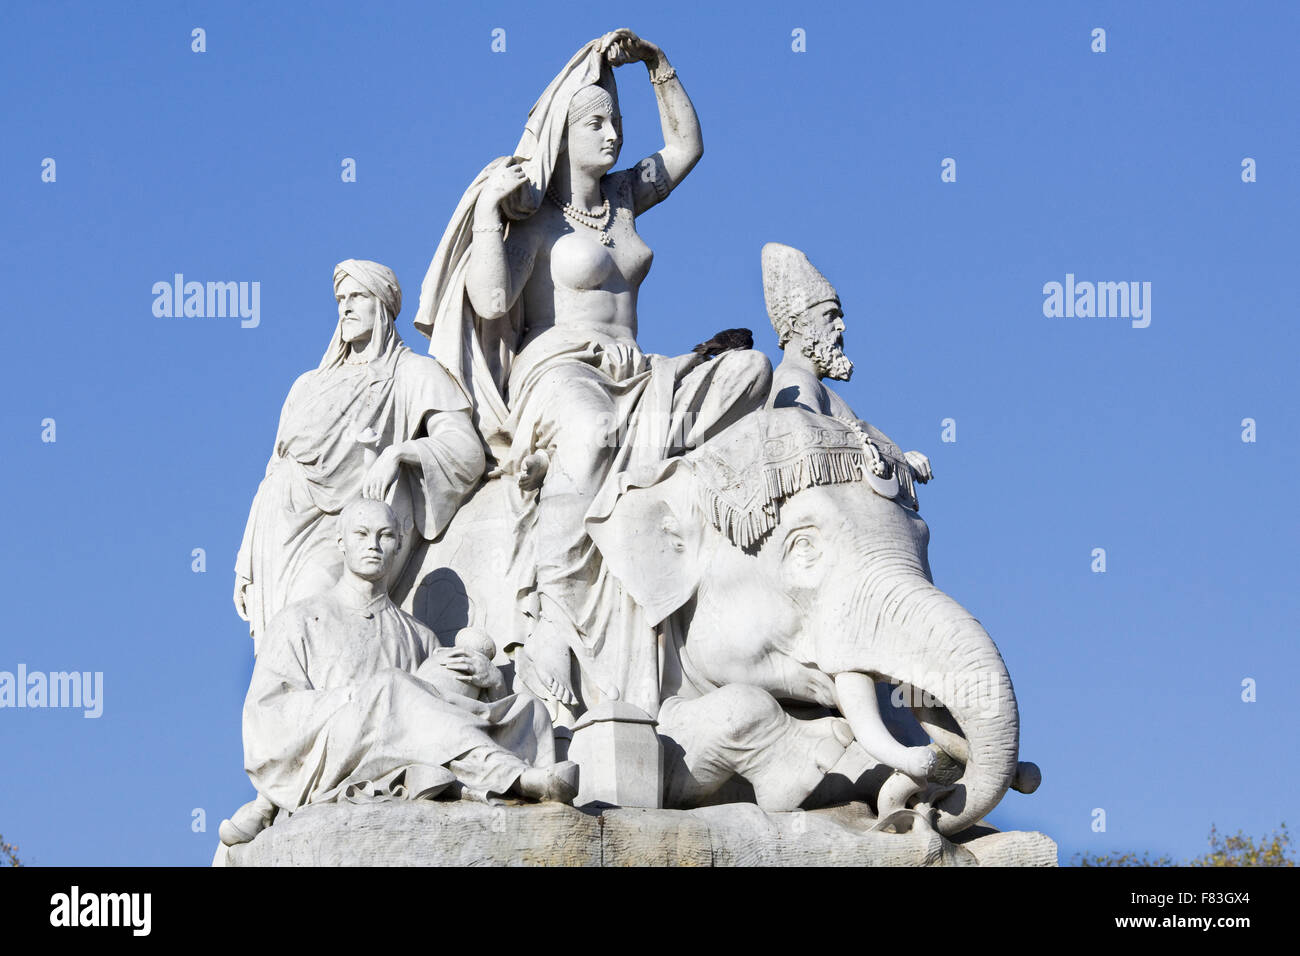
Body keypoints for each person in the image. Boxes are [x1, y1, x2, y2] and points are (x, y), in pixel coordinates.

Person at [414, 30, 770, 716]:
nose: (610, 134)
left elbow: (686, 149)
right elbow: (491, 303)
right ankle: (559, 610)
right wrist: (491, 215)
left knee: (750, 372)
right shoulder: (538, 219)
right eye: (594, 123)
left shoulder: (624, 199)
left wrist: (660, 69)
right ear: (561, 134)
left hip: (641, 370)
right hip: (559, 373)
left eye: (616, 121)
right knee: (592, 432)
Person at [222, 498, 577, 848]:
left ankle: (515, 775)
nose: (373, 546)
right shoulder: (299, 620)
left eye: (385, 535)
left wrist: (493, 683)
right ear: (341, 542)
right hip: (327, 756)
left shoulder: (421, 637)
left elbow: (444, 718)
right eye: (361, 534)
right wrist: (361, 697)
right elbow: (267, 714)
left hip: (402, 753)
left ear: (399, 544)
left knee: (533, 710)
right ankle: (513, 776)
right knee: (392, 687)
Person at [234, 259, 485, 648]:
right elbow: (274, 469)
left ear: (382, 304)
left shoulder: (415, 373)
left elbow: (465, 449)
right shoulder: (306, 385)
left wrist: (399, 453)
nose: (345, 307)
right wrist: (247, 559)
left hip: (345, 526)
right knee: (280, 649)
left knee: (315, 621)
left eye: (357, 296)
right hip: (277, 527)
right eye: (340, 298)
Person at [762, 242, 932, 504]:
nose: (841, 326)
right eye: (830, 315)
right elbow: (812, 448)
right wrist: (898, 459)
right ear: (797, 324)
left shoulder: (813, 385)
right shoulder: (793, 381)